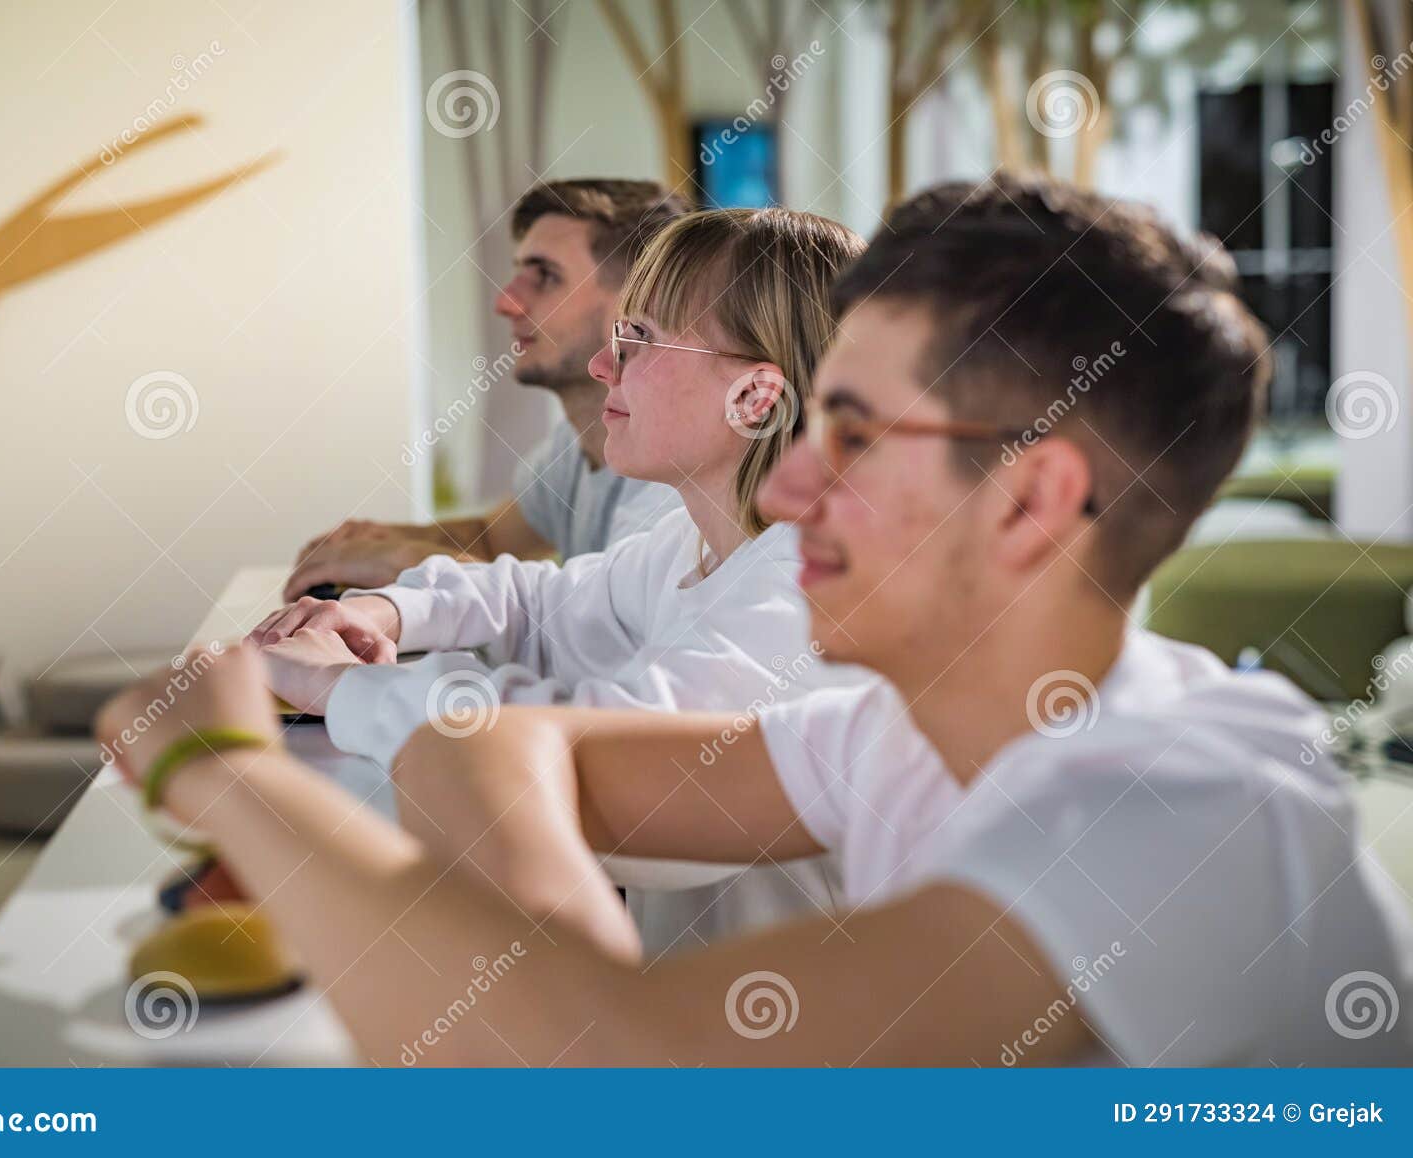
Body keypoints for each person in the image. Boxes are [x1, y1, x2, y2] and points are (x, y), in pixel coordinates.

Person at [100, 173, 1412, 1065]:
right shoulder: (890, 737)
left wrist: (219, 775)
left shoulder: (1182, 809)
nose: (791, 482)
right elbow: (489, 751)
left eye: (850, 433)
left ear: (1031, 502)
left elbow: (621, 1095)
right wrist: (586, 1013)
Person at [250, 208, 890, 957]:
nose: (602, 367)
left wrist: (344, 691)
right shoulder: (691, 544)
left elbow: (595, 766)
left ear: (754, 398)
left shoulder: (800, 593)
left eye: (640, 341)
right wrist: (387, 611)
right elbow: (538, 600)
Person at [283, 179, 687, 601]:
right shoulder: (576, 444)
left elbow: (591, 616)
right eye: (520, 274)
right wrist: (372, 542)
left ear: (636, 303)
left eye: (545, 276)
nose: (506, 302)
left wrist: (404, 558)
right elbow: (490, 539)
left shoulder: (674, 471)